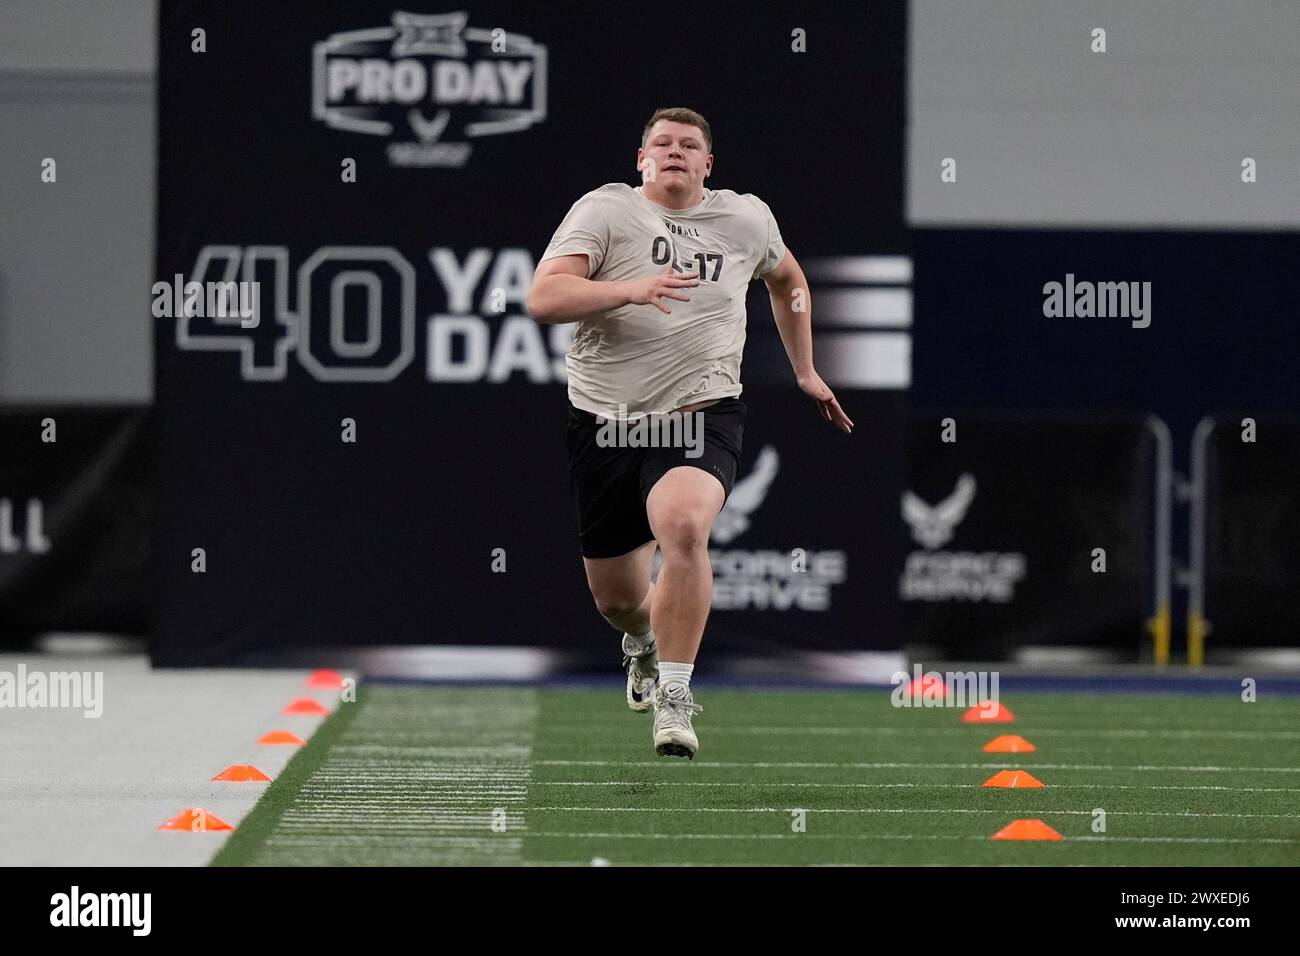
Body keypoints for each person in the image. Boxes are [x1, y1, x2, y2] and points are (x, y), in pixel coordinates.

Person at [527, 107, 852, 758]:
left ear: (709, 164)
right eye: (661, 143)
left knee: (682, 525)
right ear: (640, 158)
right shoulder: (605, 211)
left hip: (700, 413)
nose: (674, 151)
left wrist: (807, 369)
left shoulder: (745, 218)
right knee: (617, 598)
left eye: (689, 145)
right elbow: (544, 299)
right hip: (608, 424)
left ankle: (675, 699)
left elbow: (787, 278)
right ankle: (643, 643)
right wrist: (629, 290)